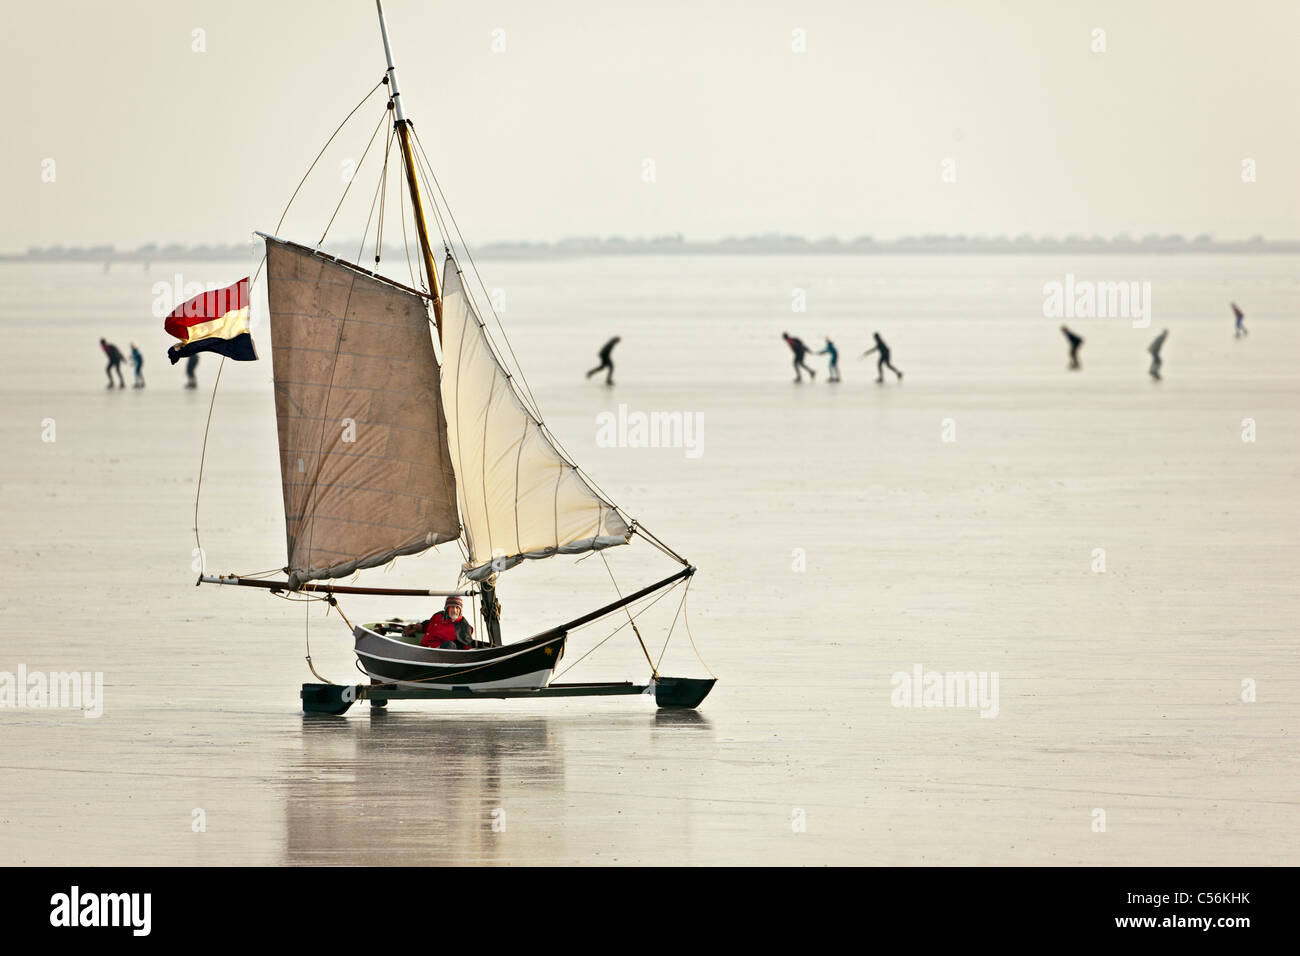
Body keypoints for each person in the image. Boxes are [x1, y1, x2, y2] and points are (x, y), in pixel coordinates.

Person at [405, 596, 474, 649]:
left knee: (449, 645)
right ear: (447, 608)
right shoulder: (438, 616)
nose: (455, 610)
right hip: (423, 648)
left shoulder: (462, 626)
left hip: (438, 655)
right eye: (452, 607)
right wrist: (416, 627)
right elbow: (429, 625)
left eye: (457, 608)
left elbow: (466, 646)